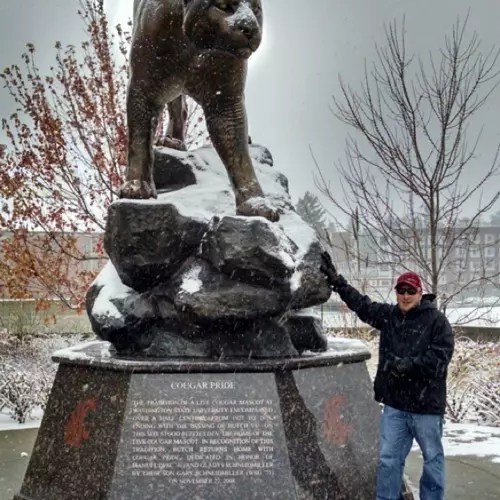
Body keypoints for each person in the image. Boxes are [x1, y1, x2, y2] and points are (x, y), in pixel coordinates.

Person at [320, 252, 454, 500]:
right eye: (401, 290)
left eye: (410, 291)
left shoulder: (437, 322)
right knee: (388, 460)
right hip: (396, 406)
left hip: (426, 407)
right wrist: (338, 282)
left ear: (420, 293)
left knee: (432, 460)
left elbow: (440, 359)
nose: (405, 296)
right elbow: (362, 305)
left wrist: (408, 365)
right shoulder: (390, 317)